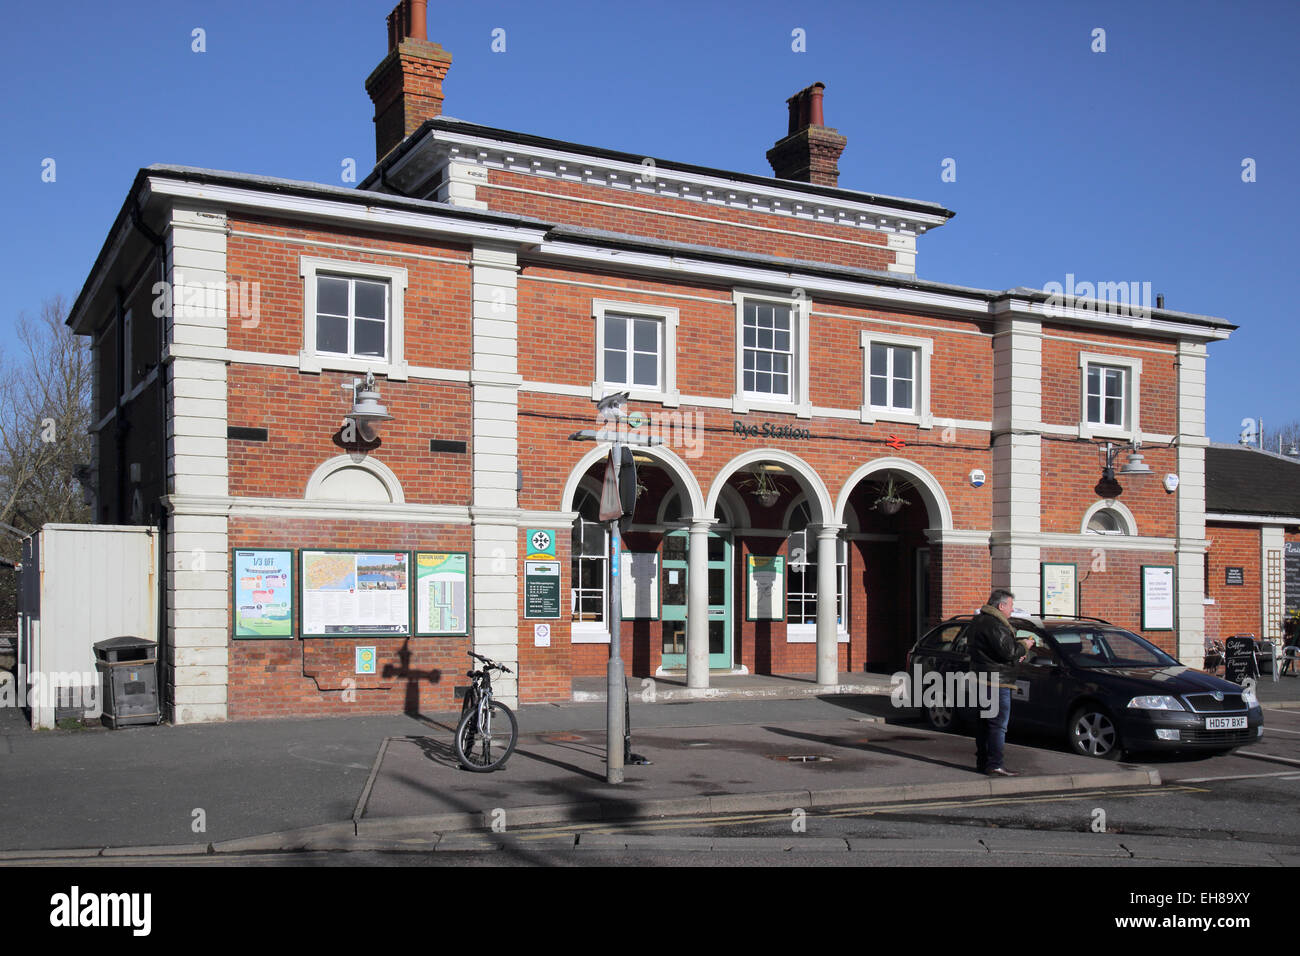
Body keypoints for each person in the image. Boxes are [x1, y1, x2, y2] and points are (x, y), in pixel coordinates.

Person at [966, 588, 1033, 776]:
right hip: (996, 682)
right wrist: (1023, 646)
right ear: (1001, 605)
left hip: (980, 679)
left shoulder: (978, 620)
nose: (1012, 610)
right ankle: (995, 763)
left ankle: (983, 762)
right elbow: (1008, 651)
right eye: (1010, 606)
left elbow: (994, 650)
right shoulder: (995, 623)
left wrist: (1014, 652)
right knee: (997, 725)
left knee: (983, 724)